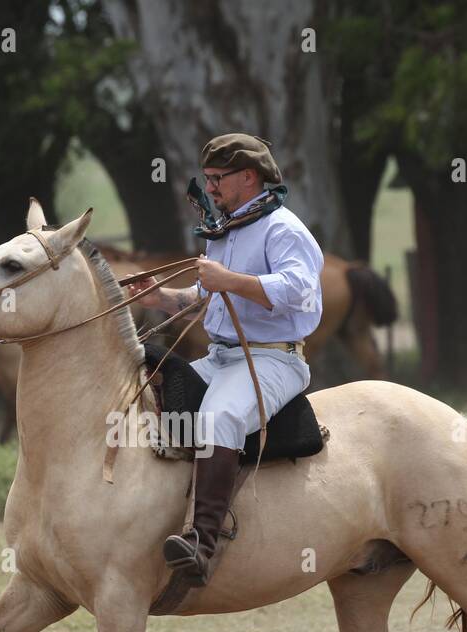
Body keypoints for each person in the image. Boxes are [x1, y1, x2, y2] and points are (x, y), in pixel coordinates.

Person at [126, 133, 323, 585]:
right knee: (153, 399)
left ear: (249, 177)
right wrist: (161, 298)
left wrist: (230, 279)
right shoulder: (229, 227)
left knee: (218, 418)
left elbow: (300, 292)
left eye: (218, 178)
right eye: (208, 178)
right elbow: (206, 295)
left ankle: (202, 544)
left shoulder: (284, 229)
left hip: (274, 360)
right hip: (222, 357)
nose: (209, 187)